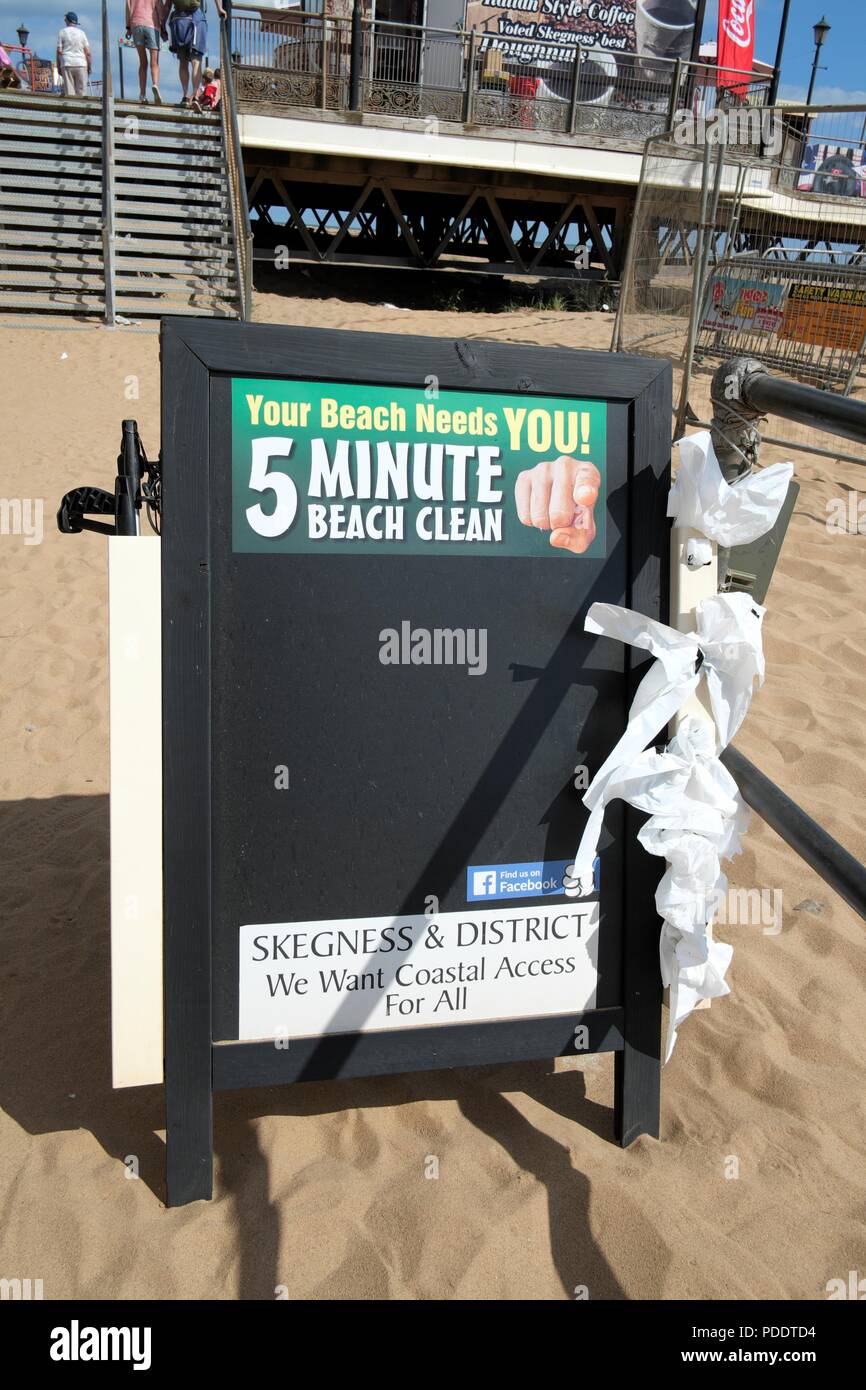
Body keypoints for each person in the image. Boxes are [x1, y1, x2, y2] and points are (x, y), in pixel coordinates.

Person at [164, 0, 225, 109]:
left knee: (183, 62)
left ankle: (185, 96)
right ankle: (195, 96)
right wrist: (219, 9)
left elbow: (168, 5)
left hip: (178, 19)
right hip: (196, 19)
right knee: (196, 61)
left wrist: (163, 22)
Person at [126, 0, 166, 104]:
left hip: (136, 25)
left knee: (143, 62)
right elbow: (160, 10)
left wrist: (128, 28)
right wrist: (163, 27)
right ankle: (155, 85)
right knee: (154, 62)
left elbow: (128, 9)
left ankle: (142, 94)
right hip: (152, 25)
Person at [55, 11, 91, 97]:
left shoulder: (62, 32)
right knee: (82, 93)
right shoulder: (82, 33)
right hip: (81, 64)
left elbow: (59, 51)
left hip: (67, 63)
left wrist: (59, 66)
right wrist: (89, 66)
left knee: (69, 93)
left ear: (67, 20)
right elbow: (88, 53)